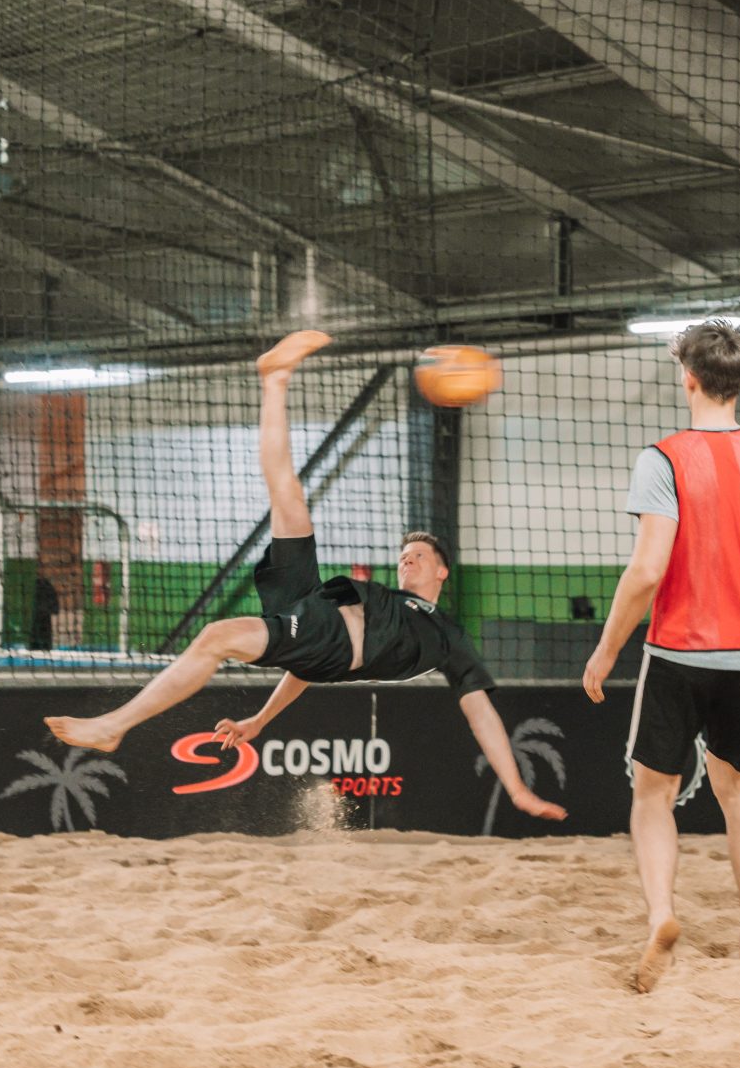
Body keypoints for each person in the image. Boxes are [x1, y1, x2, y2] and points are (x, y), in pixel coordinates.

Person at [45, 331, 567, 826]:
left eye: (419, 555)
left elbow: (481, 715)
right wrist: (260, 723)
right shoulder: (384, 597)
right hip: (314, 609)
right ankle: (275, 380)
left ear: (442, 570)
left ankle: (114, 726)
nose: (407, 559)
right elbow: (304, 668)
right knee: (287, 495)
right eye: (403, 553)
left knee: (216, 636)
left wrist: (518, 788)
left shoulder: (446, 634)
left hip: (331, 637)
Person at [582, 320, 740, 992]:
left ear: (687, 376)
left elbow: (645, 572)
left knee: (653, 795)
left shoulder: (662, 458)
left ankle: (663, 913)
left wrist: (605, 650)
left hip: (679, 653)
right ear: (738, 380)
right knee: (737, 790)